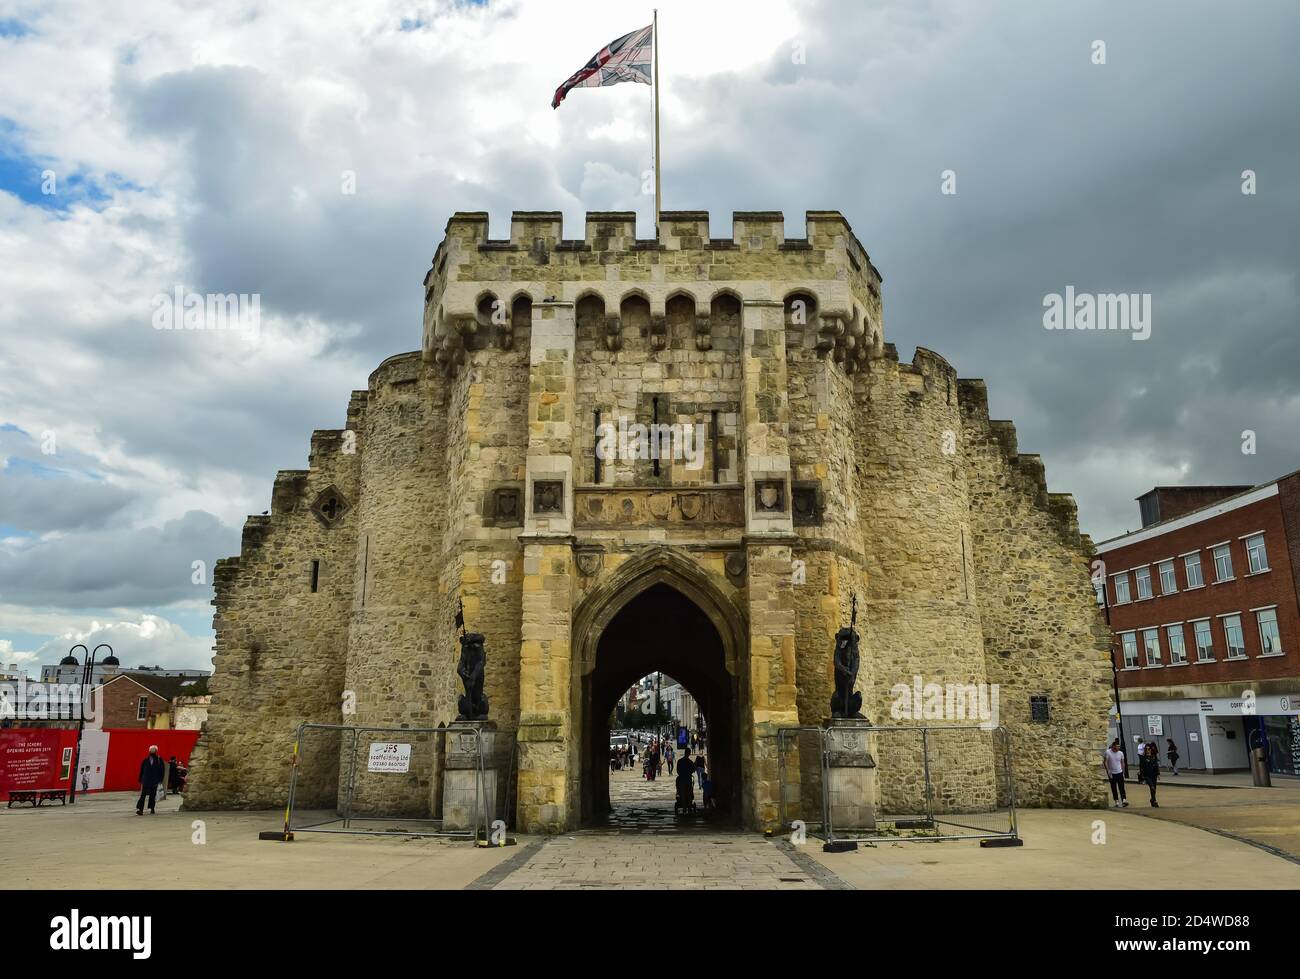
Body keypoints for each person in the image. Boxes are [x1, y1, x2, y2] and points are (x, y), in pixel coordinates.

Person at [136, 745, 166, 815]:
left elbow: (162, 770)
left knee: (152, 795)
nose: (152, 751)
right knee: (143, 795)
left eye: (153, 750)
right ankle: (140, 809)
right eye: (151, 750)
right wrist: (140, 779)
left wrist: (160, 779)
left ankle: (152, 808)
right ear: (149, 751)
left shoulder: (159, 760)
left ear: (156, 751)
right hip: (146, 780)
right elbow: (142, 770)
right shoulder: (145, 760)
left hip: (155, 780)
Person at [1102, 738, 1128, 808]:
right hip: (1112, 772)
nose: (1118, 748)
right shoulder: (1108, 752)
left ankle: (1124, 799)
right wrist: (1108, 770)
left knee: (1121, 787)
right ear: (1113, 746)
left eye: (1119, 747)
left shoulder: (1120, 753)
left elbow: (1122, 762)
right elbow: (1105, 762)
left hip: (1119, 771)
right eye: (1117, 746)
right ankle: (1116, 800)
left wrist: (1123, 771)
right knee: (1114, 787)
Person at [1138, 742, 1160, 807]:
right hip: (1147, 775)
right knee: (1152, 787)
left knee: (1154, 788)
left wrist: (1158, 773)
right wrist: (1142, 775)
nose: (1148, 750)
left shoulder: (1153, 757)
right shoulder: (1143, 758)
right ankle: (1154, 800)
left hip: (1154, 774)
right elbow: (1141, 767)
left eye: (1149, 749)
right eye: (1146, 749)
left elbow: (1156, 765)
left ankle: (1152, 800)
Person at [675, 748, 697, 813]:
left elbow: (678, 771)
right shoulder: (690, 762)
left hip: (681, 779)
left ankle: (684, 808)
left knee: (682, 793)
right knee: (689, 793)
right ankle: (689, 808)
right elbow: (693, 770)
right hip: (688, 779)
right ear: (689, 753)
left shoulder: (680, 761)